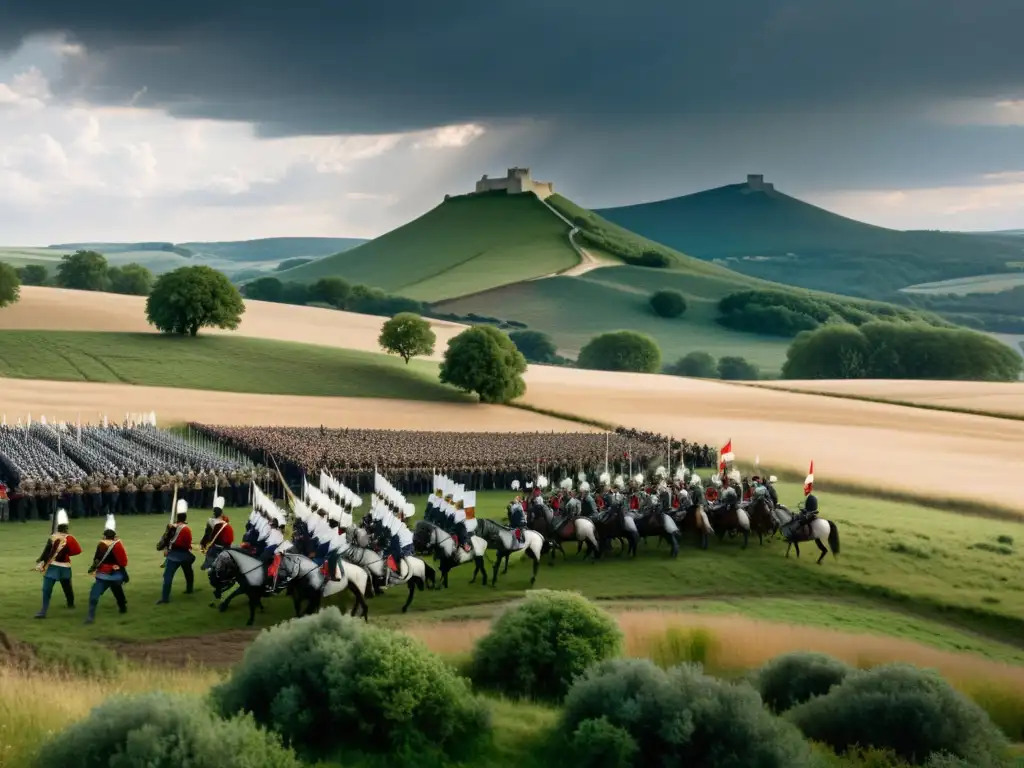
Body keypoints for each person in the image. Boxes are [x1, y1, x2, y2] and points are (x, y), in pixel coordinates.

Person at [34, 509, 82, 618]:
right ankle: (70, 604)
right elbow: (77, 551)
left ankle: (43, 610)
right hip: (65, 566)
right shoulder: (70, 538)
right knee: (67, 587)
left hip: (53, 565)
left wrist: (41, 560)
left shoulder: (53, 537)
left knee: (47, 589)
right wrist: (67, 554)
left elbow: (47, 551)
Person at [86, 513, 128, 624]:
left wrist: (93, 568)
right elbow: (123, 561)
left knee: (94, 596)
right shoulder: (118, 544)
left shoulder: (101, 544)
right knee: (118, 592)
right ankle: (122, 607)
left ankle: (90, 616)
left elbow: (96, 559)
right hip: (116, 574)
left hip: (103, 574)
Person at [157, 499, 195, 604]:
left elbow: (165, 539)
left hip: (173, 554)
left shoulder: (171, 527)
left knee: (168, 577)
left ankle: (165, 598)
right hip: (184, 554)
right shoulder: (187, 529)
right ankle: (189, 588)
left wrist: (166, 548)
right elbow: (188, 543)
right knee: (188, 572)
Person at [200, 496, 234, 570]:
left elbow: (207, 534)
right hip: (225, 548)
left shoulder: (210, 521)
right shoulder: (225, 524)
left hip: (214, 548)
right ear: (221, 513)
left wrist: (203, 544)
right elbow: (229, 538)